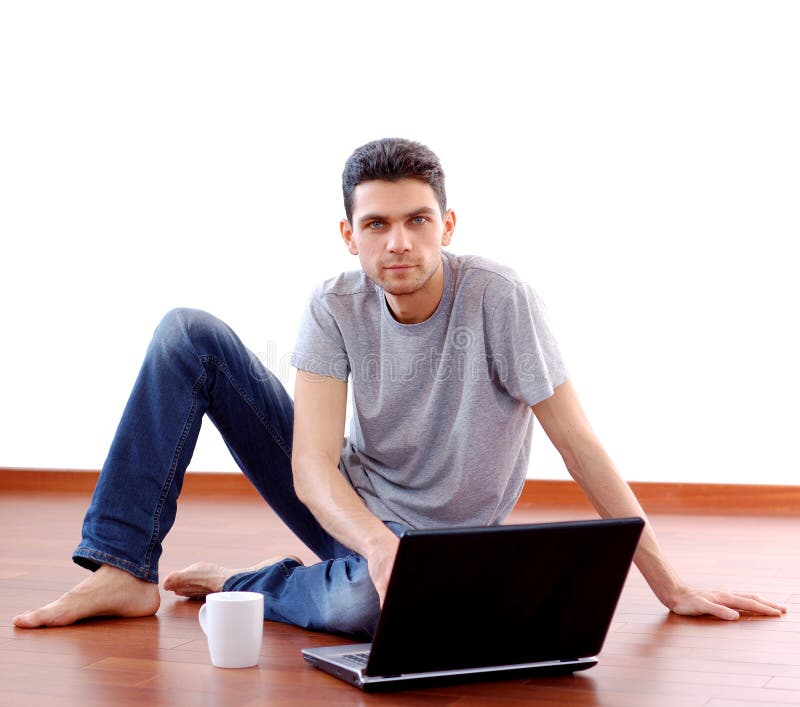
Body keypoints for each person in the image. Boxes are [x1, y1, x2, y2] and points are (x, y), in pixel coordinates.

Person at [13, 137, 786, 634]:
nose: (400, 242)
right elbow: (312, 464)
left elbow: (580, 444)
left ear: (449, 224)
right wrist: (373, 538)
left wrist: (668, 581)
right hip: (352, 517)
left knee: (365, 605)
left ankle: (250, 586)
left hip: (436, 547)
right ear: (348, 234)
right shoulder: (333, 303)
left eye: (418, 220)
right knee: (187, 333)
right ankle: (121, 568)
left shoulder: (500, 299)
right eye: (377, 224)